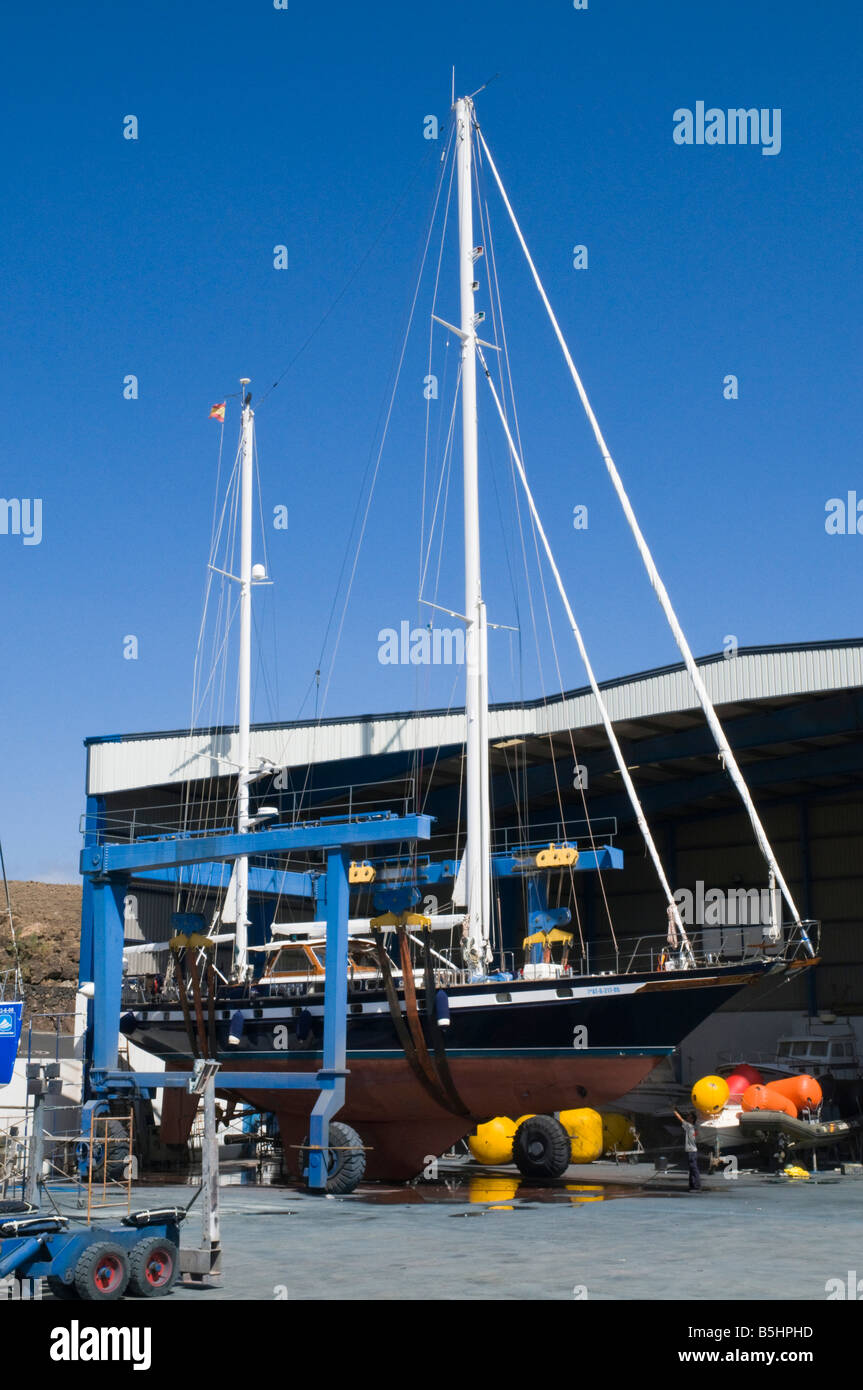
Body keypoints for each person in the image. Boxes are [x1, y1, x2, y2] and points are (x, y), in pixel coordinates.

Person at [673, 1109, 702, 1191]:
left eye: (689, 1117)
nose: (687, 1118)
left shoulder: (689, 1127)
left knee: (694, 1169)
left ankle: (696, 1186)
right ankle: (692, 1185)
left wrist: (674, 1111)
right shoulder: (694, 1127)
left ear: (692, 1119)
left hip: (691, 1151)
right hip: (692, 1151)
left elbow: (680, 1119)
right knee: (692, 1169)